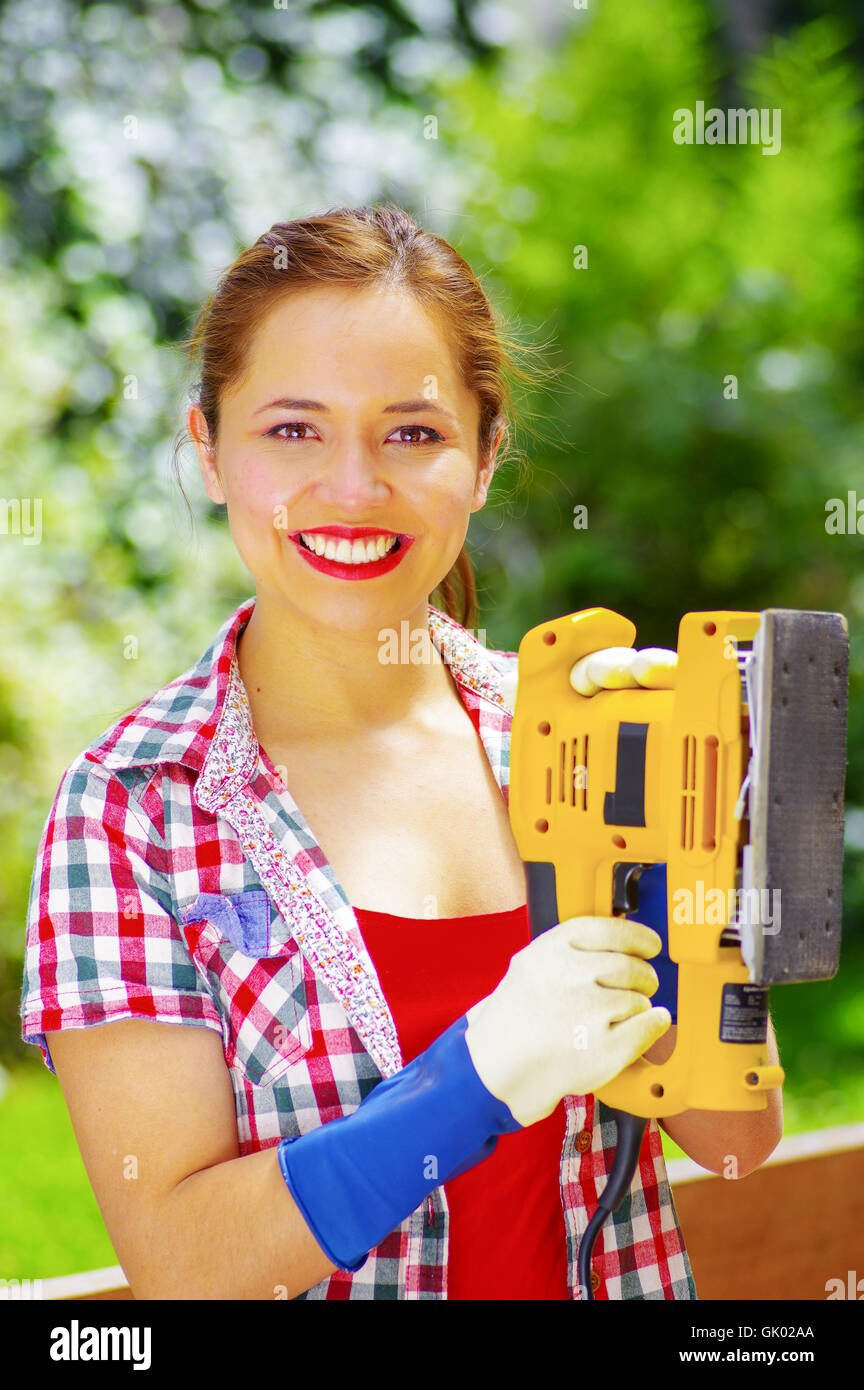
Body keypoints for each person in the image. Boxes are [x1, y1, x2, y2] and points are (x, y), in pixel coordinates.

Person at [20, 205, 774, 1301]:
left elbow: (739, 1136)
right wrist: (474, 1082)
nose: (354, 488)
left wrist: (683, 870)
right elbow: (185, 1264)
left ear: (484, 457)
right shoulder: (136, 809)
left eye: (413, 432)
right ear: (210, 450)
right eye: (292, 430)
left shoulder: (579, 735)